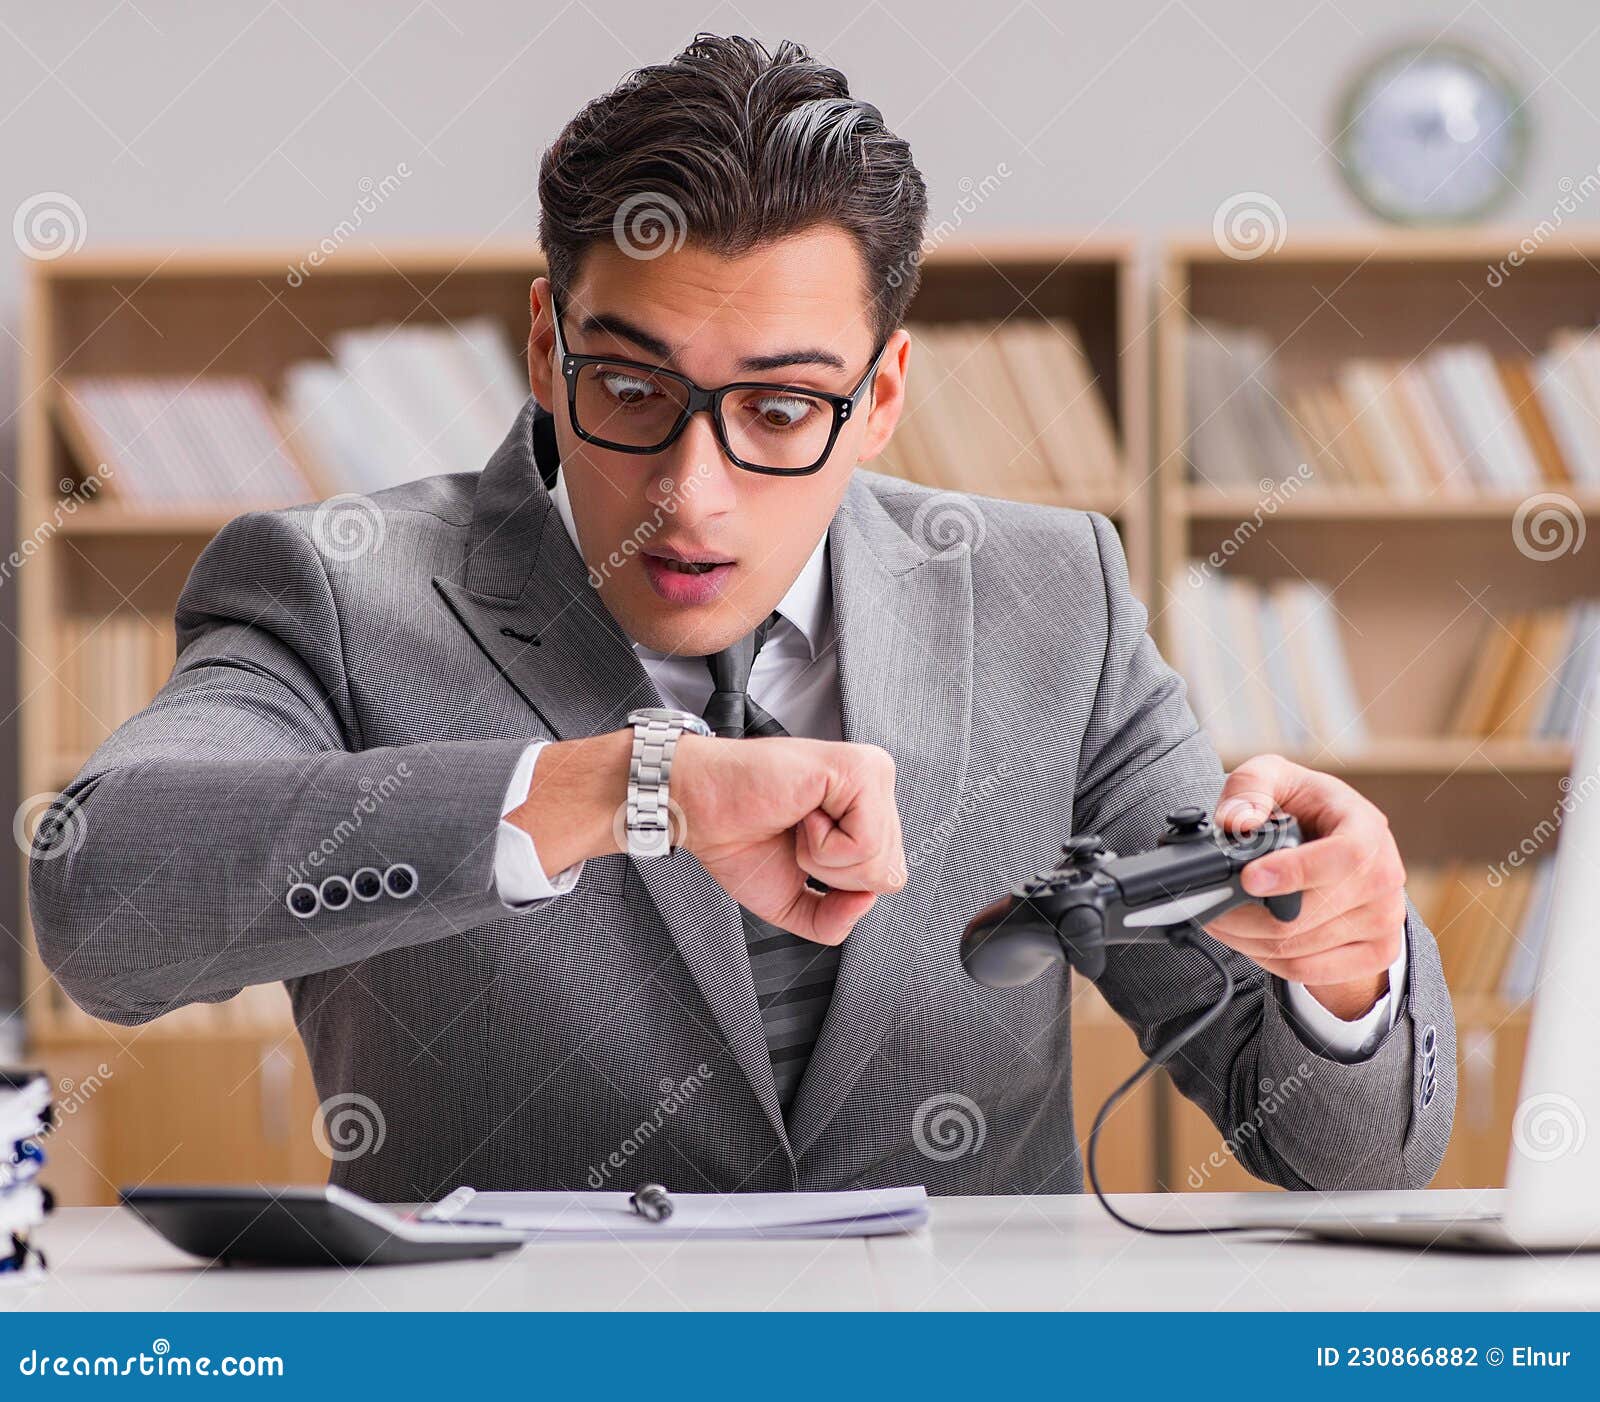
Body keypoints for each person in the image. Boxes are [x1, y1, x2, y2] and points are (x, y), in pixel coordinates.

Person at [29, 33, 1453, 1200]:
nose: (694, 495)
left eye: (781, 407)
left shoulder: (1049, 600)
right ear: (545, 345)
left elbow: (1339, 1151)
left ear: (884, 396)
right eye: (634, 390)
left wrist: (1350, 970)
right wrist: (617, 786)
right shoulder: (339, 587)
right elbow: (101, 896)